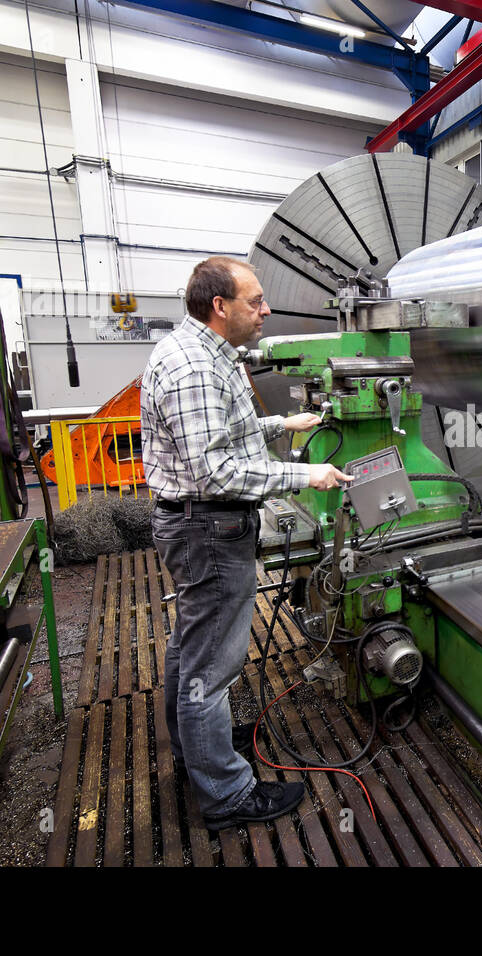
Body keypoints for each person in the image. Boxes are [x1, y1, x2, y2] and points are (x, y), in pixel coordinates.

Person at [141, 256, 351, 830]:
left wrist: (284, 425)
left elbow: (226, 430)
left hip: (201, 524)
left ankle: (195, 746)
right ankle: (227, 795)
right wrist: (305, 476)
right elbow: (216, 471)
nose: (264, 311)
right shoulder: (193, 370)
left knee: (193, 644)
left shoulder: (207, 354)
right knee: (215, 664)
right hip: (207, 525)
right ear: (220, 307)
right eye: (255, 301)